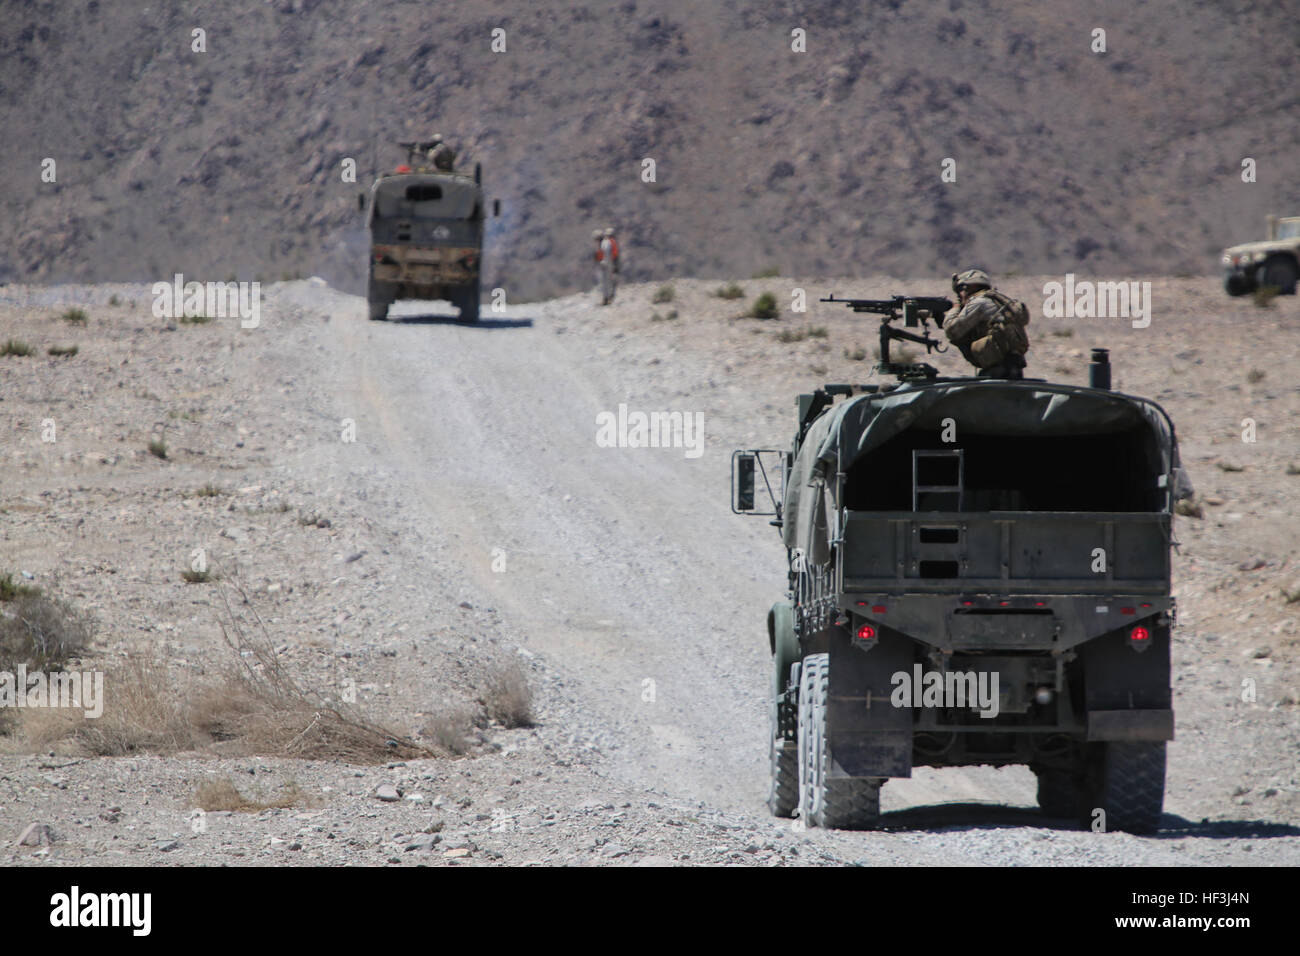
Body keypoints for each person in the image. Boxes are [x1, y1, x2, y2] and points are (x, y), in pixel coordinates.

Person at [943, 269, 1030, 379]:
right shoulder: (999, 302)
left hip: (996, 371)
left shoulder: (979, 302)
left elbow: (951, 331)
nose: (960, 295)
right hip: (1015, 368)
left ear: (969, 287)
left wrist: (954, 309)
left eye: (960, 290)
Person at [594, 229, 615, 305]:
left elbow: (606, 254)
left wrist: (604, 262)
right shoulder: (602, 243)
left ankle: (607, 299)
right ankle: (605, 298)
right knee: (603, 282)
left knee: (605, 282)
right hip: (604, 265)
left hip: (606, 265)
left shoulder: (605, 243)